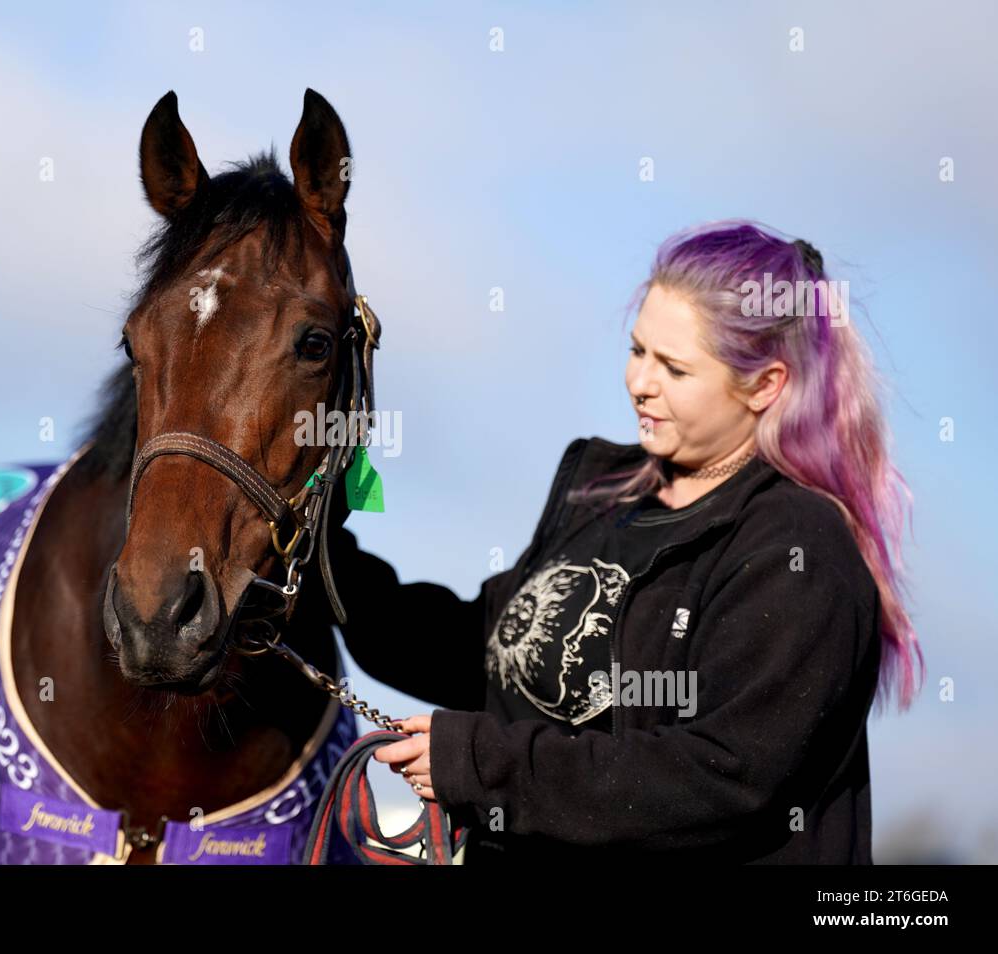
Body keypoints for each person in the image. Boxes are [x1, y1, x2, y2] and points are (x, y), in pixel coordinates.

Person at [326, 220, 921, 864]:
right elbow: (486, 660)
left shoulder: (800, 552)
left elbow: (720, 777)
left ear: (765, 386)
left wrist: (480, 765)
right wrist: (319, 562)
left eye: (674, 367)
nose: (641, 382)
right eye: (638, 351)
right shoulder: (602, 496)